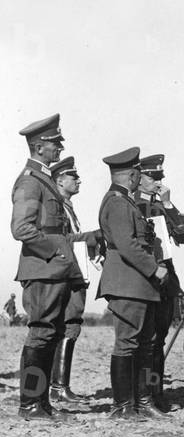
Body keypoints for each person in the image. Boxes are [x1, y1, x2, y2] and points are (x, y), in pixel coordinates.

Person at [11, 114, 77, 419]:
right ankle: (30, 404)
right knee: (41, 335)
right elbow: (21, 228)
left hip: (52, 270)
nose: (59, 148)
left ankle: (42, 403)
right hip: (42, 269)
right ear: (39, 147)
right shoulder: (30, 180)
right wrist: (56, 252)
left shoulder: (44, 179)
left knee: (49, 335)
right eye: (55, 144)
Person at [96, 146, 168, 419]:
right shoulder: (117, 203)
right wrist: (154, 269)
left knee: (147, 343)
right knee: (127, 343)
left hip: (137, 283)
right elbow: (127, 245)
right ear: (132, 175)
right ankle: (123, 405)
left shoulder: (124, 201)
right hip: (127, 282)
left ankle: (143, 401)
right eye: (138, 173)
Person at [49, 157, 103, 405]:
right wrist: (93, 237)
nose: (79, 181)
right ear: (60, 181)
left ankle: (59, 386)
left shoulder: (67, 207)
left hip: (72, 273)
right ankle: (58, 387)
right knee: (68, 324)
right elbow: (62, 239)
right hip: (66, 273)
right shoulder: (58, 207)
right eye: (74, 177)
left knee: (71, 325)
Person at [135, 154, 183, 411]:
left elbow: (182, 232)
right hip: (147, 277)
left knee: (159, 339)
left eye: (159, 178)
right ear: (139, 177)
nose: (157, 182)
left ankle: (156, 392)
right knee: (148, 340)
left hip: (166, 278)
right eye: (152, 177)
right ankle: (143, 393)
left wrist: (168, 203)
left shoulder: (161, 205)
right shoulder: (133, 203)